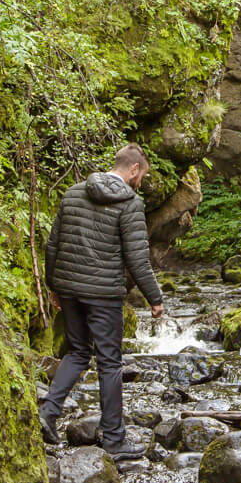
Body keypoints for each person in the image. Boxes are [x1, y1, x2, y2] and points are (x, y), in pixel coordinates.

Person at [38, 143, 165, 462]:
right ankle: (114, 439)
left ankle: (48, 413)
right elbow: (138, 259)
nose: (141, 182)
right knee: (109, 362)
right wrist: (155, 298)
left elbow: (53, 244)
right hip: (103, 293)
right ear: (133, 169)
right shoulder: (130, 203)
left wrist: (53, 285)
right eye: (142, 175)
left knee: (77, 352)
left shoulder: (73, 193)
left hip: (69, 287)